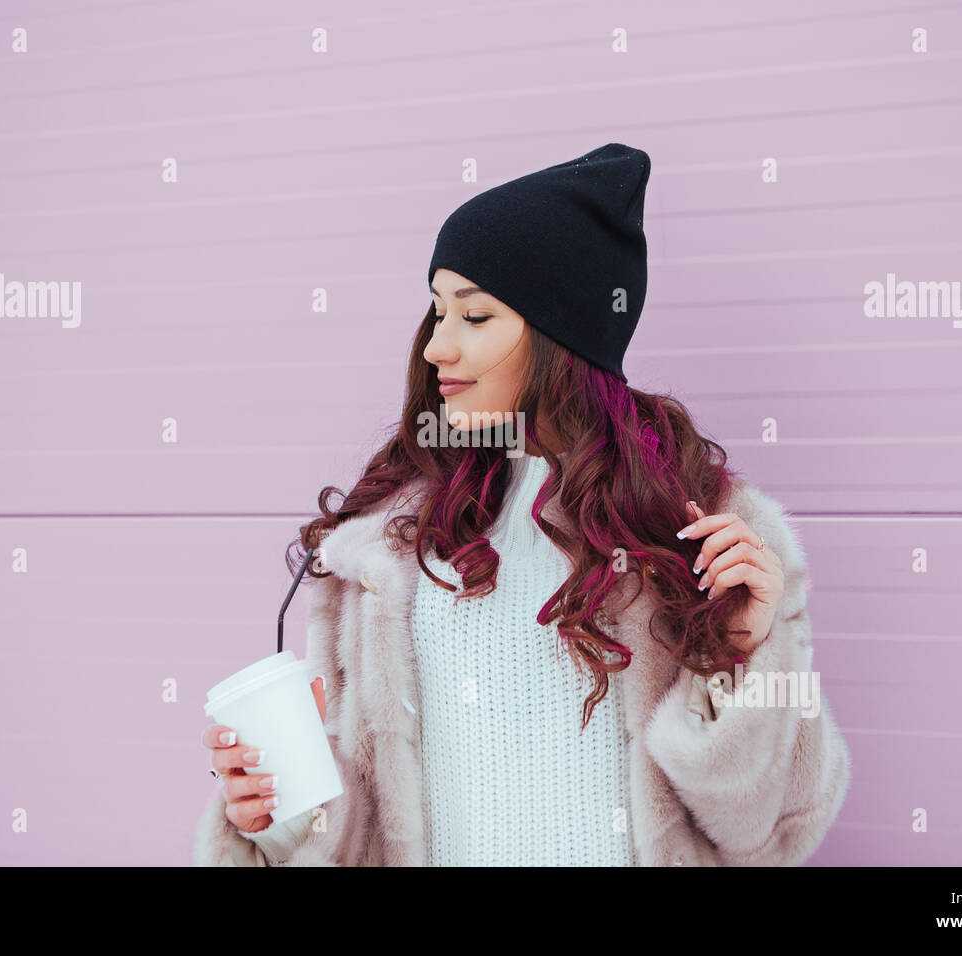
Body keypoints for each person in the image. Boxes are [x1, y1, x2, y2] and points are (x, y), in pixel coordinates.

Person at [195, 143, 851, 866]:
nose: (438, 346)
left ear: (560, 336)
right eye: (437, 312)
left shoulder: (702, 534)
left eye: (475, 317)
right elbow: (358, 834)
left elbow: (768, 831)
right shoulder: (391, 545)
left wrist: (745, 652)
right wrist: (272, 815)